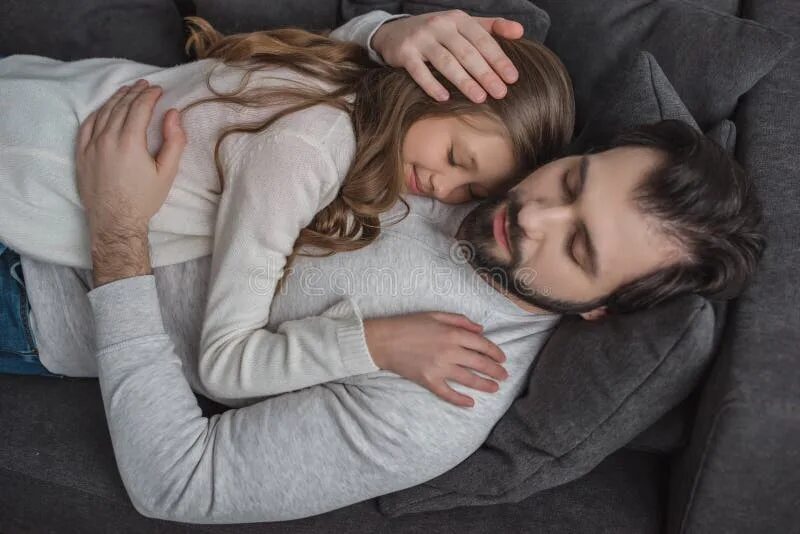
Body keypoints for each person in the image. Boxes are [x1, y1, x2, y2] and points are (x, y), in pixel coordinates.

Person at [2, 10, 764, 524]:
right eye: (571, 181)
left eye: (578, 248)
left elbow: (180, 483)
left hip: (29, 291)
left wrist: (118, 236)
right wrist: (389, 34)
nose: (532, 214)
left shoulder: (442, 400)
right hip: (57, 119)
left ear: (600, 308)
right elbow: (323, 81)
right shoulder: (500, 152)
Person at [0, 11, 575, 407]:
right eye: (455, 156)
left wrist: (383, 31)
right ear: (426, 87)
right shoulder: (303, 151)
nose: (442, 190)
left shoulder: (338, 74)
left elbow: (356, 43)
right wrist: (375, 344)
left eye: (471, 194)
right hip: (20, 211)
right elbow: (223, 363)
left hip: (36, 97)